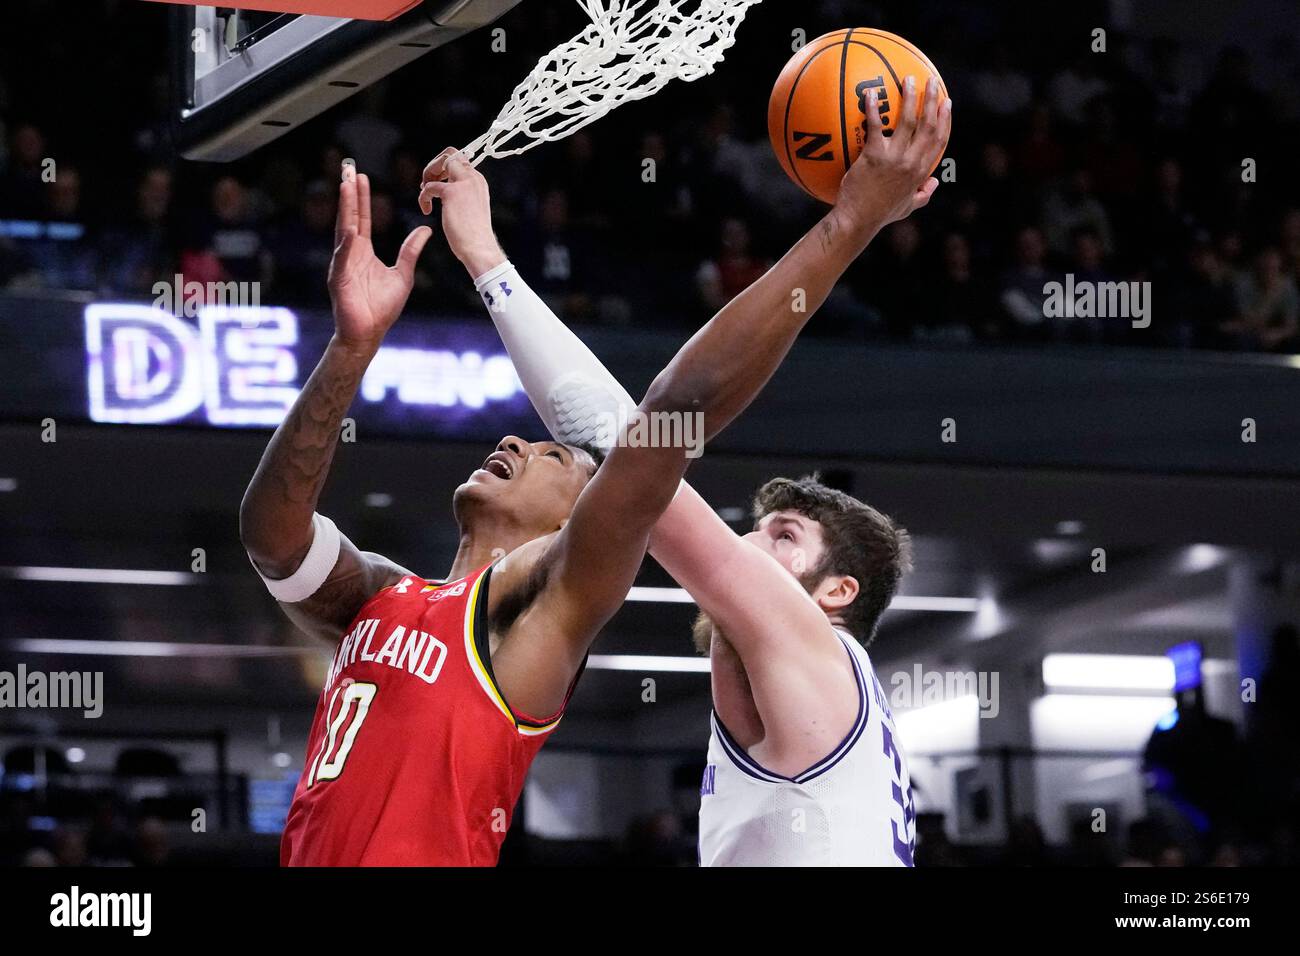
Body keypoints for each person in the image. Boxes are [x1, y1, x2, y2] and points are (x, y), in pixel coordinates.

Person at [242, 83, 945, 866]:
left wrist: (852, 221)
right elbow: (273, 539)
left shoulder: (811, 646)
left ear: (837, 593)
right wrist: (351, 349)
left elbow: (658, 423)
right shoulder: (390, 598)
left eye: (780, 536)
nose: (741, 542)